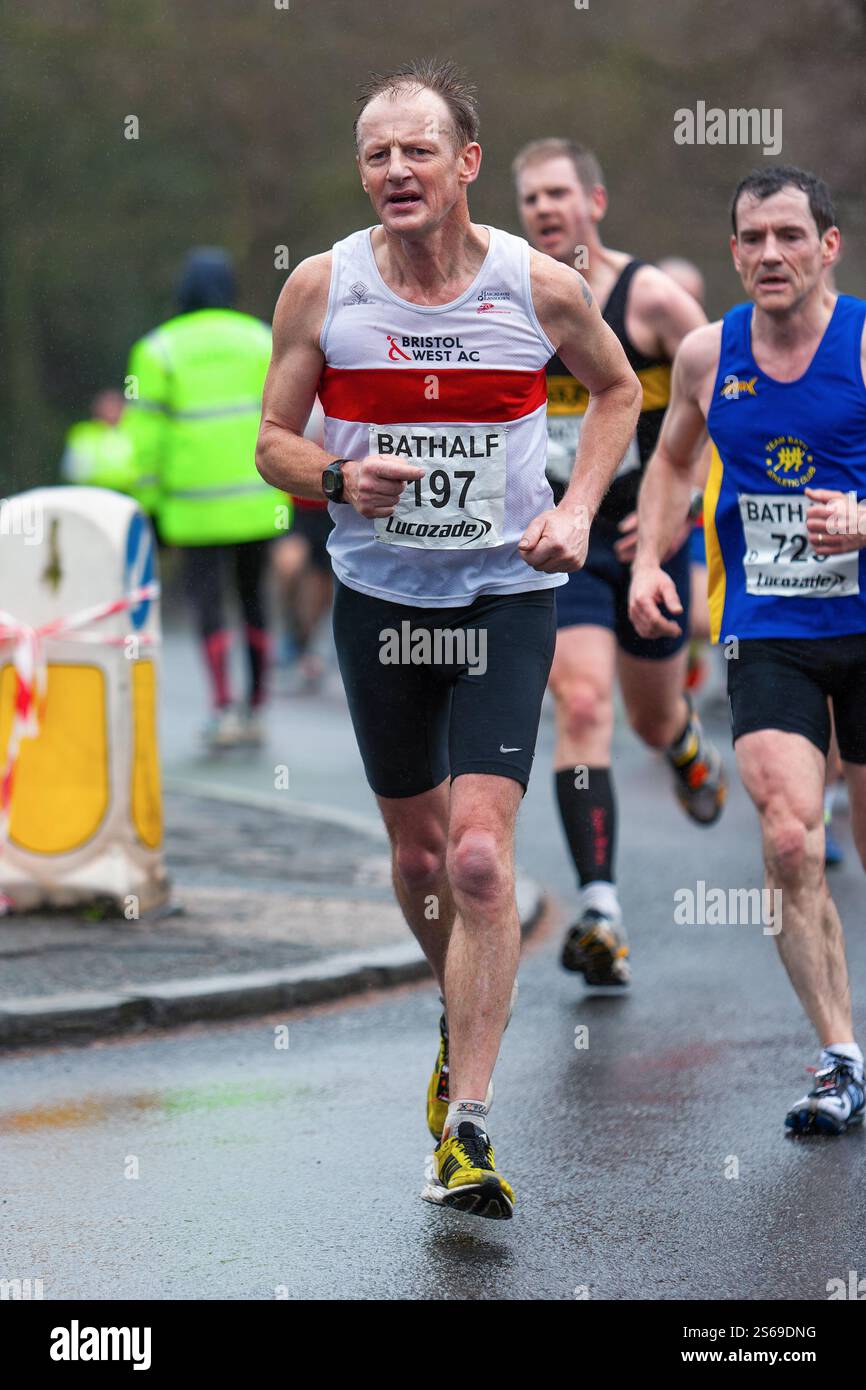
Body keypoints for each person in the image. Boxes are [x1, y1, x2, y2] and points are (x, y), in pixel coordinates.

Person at [256, 61, 642, 1218]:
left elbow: (617, 392)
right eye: (376, 153)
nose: (395, 170)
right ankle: (457, 1004)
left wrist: (577, 510)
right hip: (379, 602)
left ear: (465, 162)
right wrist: (336, 477)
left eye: (417, 149)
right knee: (422, 860)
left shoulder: (536, 286)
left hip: (501, 599)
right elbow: (270, 443)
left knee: (478, 858)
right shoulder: (325, 288)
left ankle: (466, 1124)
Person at [629, 165, 866, 1135]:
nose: (770, 253)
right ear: (732, 252)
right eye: (752, 238)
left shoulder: (862, 343)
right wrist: (649, 560)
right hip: (768, 629)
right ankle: (839, 1057)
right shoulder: (705, 355)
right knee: (786, 837)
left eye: (789, 235)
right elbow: (671, 460)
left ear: (827, 246)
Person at [513, 139, 727, 987]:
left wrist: (679, 506)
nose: (544, 209)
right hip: (566, 537)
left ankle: (681, 741)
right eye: (531, 198)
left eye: (558, 193)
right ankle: (601, 909)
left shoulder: (652, 301)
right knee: (582, 704)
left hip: (651, 537)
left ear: (594, 203)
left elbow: (725, 398)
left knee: (648, 716)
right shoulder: (513, 300)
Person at [124, 248, 283, 749]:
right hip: (259, 500)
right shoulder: (261, 338)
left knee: (208, 605)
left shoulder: (157, 350)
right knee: (255, 599)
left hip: (192, 508)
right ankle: (257, 708)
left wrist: (147, 504)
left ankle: (222, 708)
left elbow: (143, 440)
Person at [271, 397, 334, 688]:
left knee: (321, 585)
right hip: (292, 505)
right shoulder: (292, 387)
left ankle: (308, 644)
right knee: (289, 565)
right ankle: (290, 633)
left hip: (331, 506)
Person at [60, 390, 139, 498]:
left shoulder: (135, 433)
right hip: (93, 494)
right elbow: (73, 472)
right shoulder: (84, 433)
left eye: (117, 405)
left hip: (129, 495)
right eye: (108, 405)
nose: (112, 410)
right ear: (98, 408)